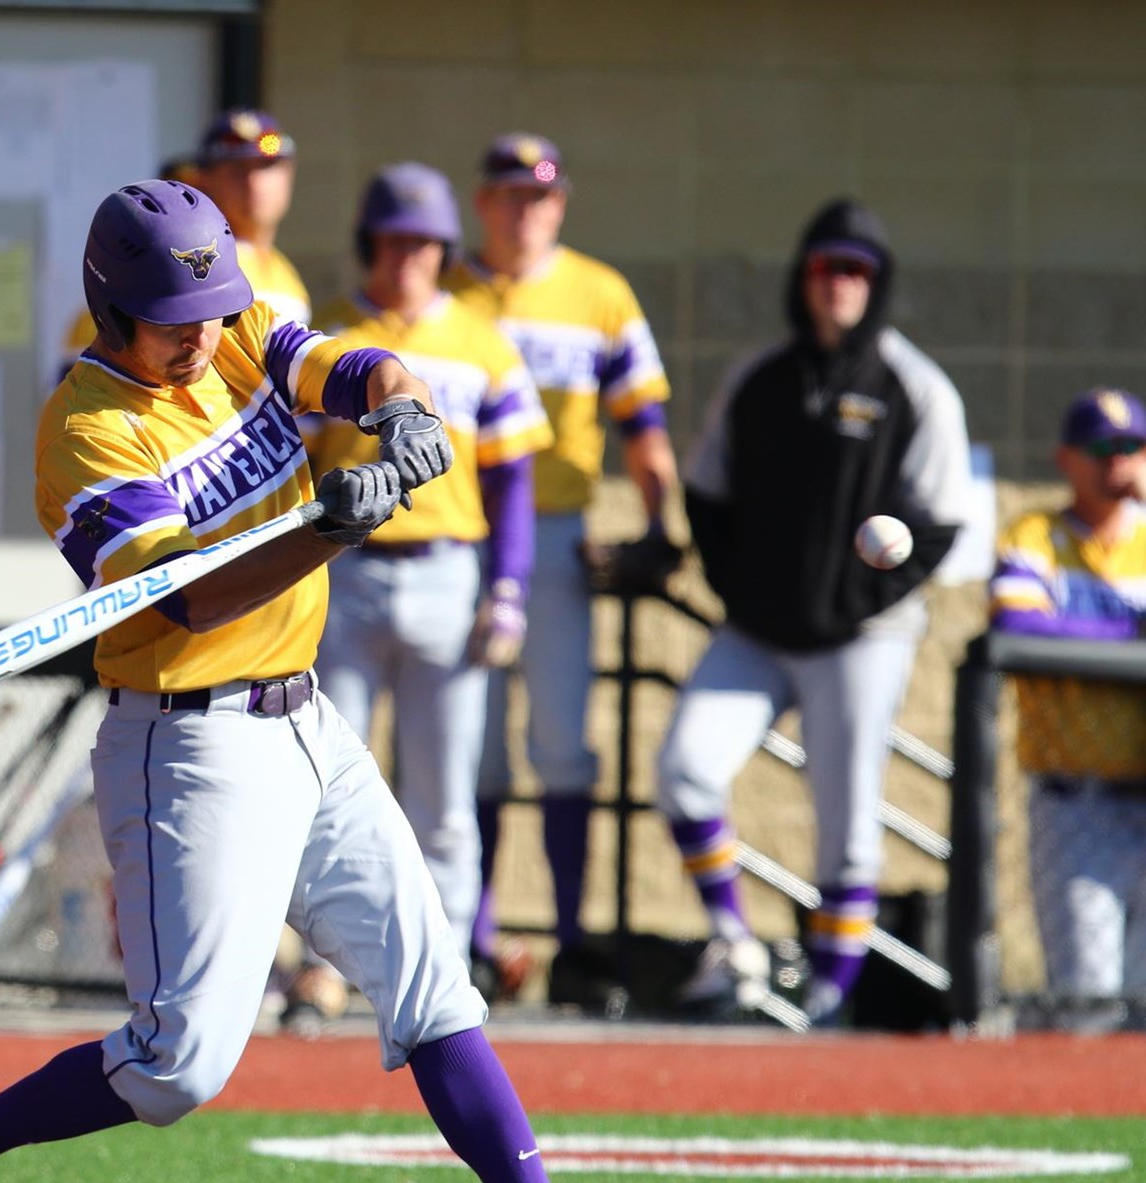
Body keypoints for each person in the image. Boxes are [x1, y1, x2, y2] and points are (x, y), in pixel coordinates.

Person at [0, 180, 602, 1183]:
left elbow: (346, 367)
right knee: (177, 1067)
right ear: (114, 313)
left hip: (309, 717)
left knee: (433, 981)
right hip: (187, 746)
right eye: (175, 323)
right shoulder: (87, 428)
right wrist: (336, 529)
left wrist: (399, 410)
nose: (204, 339)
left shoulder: (234, 322)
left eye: (214, 312)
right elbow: (190, 599)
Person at [655, 199, 971, 1026]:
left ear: (878, 284)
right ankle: (737, 940)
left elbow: (939, 522)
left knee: (847, 818)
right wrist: (740, 591)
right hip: (757, 631)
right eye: (828, 267)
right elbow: (707, 490)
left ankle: (829, 996)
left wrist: (850, 603)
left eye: (857, 270)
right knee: (685, 767)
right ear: (805, 277)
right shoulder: (761, 376)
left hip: (862, 638)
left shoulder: (915, 387)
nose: (840, 285)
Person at [292, 162, 552, 1028]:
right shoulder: (332, 337)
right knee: (323, 778)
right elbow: (286, 466)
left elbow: (513, 479)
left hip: (449, 570)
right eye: (395, 240)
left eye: (426, 243)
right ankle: (322, 969)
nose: (409, 257)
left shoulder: (482, 340)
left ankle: (441, 971)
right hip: (346, 570)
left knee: (444, 794)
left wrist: (508, 591)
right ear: (370, 243)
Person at [445, 133, 678, 986]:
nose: (523, 210)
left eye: (538, 195)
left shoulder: (599, 293)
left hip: (552, 534)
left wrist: (662, 524)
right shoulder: (444, 287)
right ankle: (474, 938)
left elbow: (643, 422)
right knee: (469, 747)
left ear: (561, 203)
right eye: (507, 193)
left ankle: (573, 939)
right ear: (482, 203)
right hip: (458, 531)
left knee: (561, 739)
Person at [989, 389, 1146, 1026]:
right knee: (1088, 997)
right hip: (1075, 800)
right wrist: (1131, 634)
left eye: (1131, 447)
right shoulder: (1036, 535)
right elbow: (1019, 624)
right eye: (1101, 450)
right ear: (1067, 460)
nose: (1119, 463)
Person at [59, 110, 307, 370]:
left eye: (267, 166)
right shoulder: (174, 265)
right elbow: (85, 373)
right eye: (236, 169)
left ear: (289, 173)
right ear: (202, 181)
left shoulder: (282, 269)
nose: (254, 182)